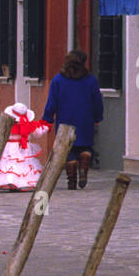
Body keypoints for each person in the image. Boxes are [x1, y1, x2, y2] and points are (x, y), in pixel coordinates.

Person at [42, 49, 104, 189]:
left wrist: (47, 118)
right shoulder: (90, 80)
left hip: (65, 120)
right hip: (85, 119)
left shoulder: (58, 80)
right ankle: (85, 160)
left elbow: (52, 102)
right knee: (85, 146)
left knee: (68, 151)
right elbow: (97, 101)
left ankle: (72, 181)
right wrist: (97, 116)